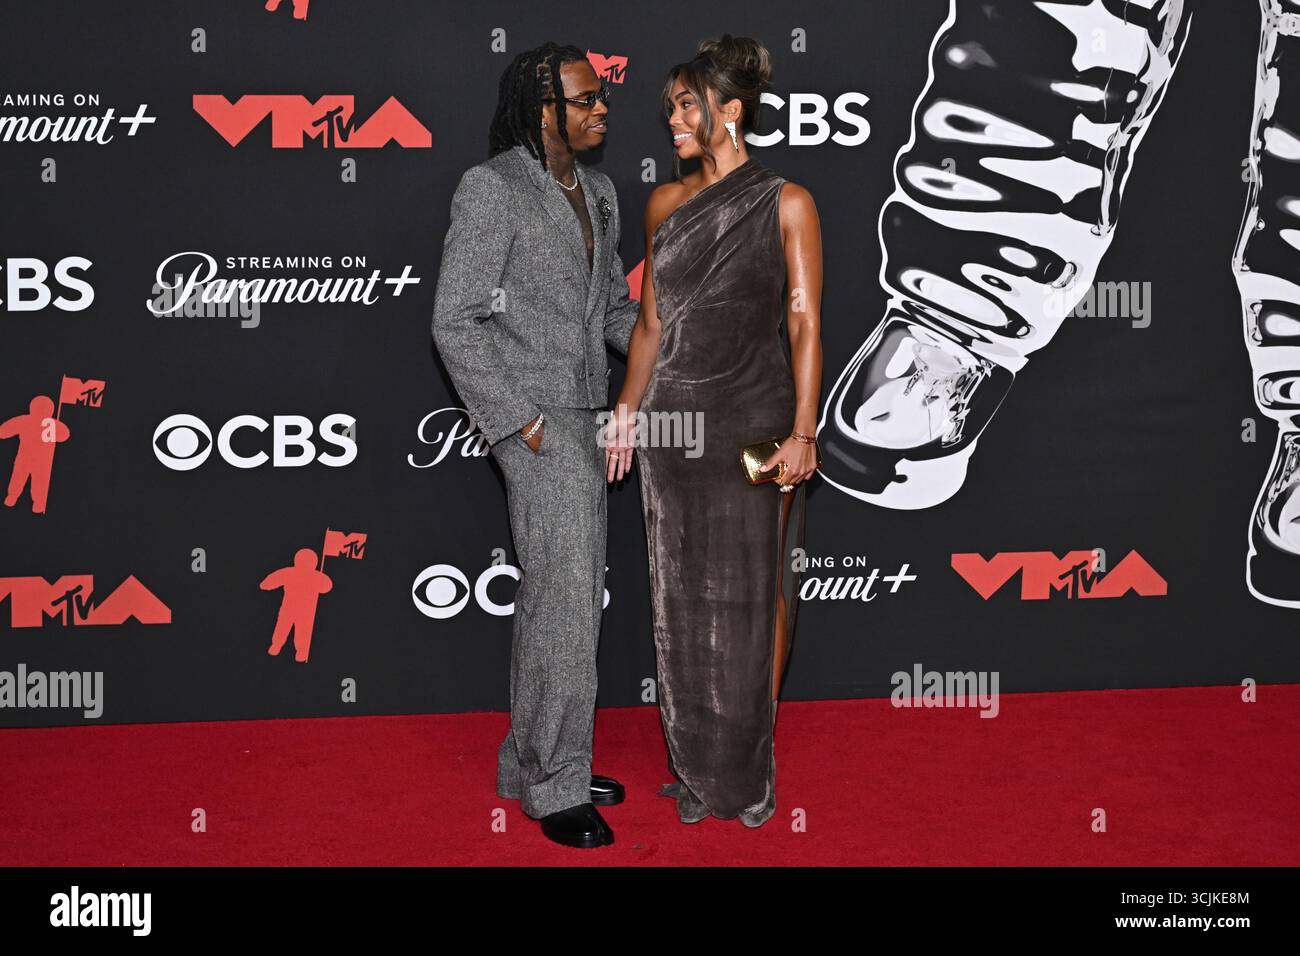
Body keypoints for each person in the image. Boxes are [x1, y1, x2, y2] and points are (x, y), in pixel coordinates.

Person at [605, 35, 823, 827]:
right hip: (675, 430)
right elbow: (653, 329)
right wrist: (625, 413)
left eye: (688, 105)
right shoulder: (664, 204)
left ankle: (746, 769)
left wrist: (804, 431)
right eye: (669, 107)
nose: (673, 120)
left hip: (759, 424)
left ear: (730, 111)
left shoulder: (787, 201)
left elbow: (803, 326)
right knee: (682, 597)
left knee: (757, 591)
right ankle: (698, 768)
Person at [431, 43, 640, 848]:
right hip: (539, 421)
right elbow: (454, 319)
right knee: (563, 601)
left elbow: (613, 311)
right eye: (584, 100)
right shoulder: (492, 190)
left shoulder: (599, 190)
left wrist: (672, 347)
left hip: (589, 413)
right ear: (540, 108)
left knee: (565, 597)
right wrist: (521, 420)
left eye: (601, 99)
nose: (601, 111)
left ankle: (532, 763)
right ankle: (553, 788)